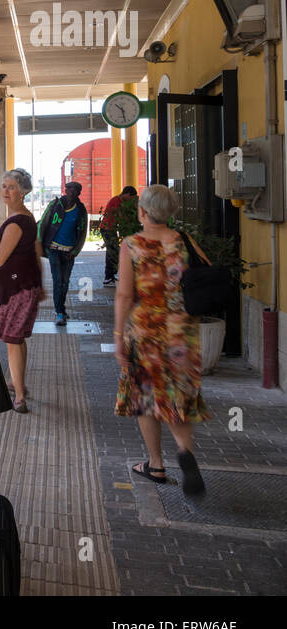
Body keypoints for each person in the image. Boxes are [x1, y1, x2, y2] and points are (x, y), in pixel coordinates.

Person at [114, 185, 210, 496]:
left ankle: (155, 464)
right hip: (182, 330)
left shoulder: (132, 245)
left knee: (146, 397)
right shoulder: (184, 241)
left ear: (142, 211)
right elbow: (204, 273)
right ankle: (185, 451)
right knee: (178, 395)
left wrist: (118, 336)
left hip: (145, 332)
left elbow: (125, 294)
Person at [0, 169, 42, 414]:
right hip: (21, 285)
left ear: (22, 192)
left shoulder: (17, 222)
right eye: (3, 186)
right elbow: (35, 252)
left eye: (11, 187)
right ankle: (17, 382)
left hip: (16, 288)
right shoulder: (25, 217)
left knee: (11, 339)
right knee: (16, 338)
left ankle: (20, 397)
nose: (5, 191)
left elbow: (0, 258)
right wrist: (41, 284)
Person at [38, 180, 88, 326]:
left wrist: (76, 251)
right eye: (69, 190)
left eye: (75, 191)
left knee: (65, 283)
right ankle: (59, 312)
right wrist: (40, 244)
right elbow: (43, 224)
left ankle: (62, 309)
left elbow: (82, 233)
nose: (72, 193)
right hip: (53, 249)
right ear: (65, 190)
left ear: (79, 193)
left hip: (69, 252)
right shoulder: (54, 205)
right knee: (58, 280)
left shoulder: (80, 210)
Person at [101, 185, 138, 286]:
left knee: (113, 251)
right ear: (127, 194)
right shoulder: (117, 200)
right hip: (107, 229)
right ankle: (108, 277)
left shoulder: (120, 200)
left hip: (110, 229)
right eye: (131, 197)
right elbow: (121, 215)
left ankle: (111, 275)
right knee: (111, 252)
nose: (131, 199)